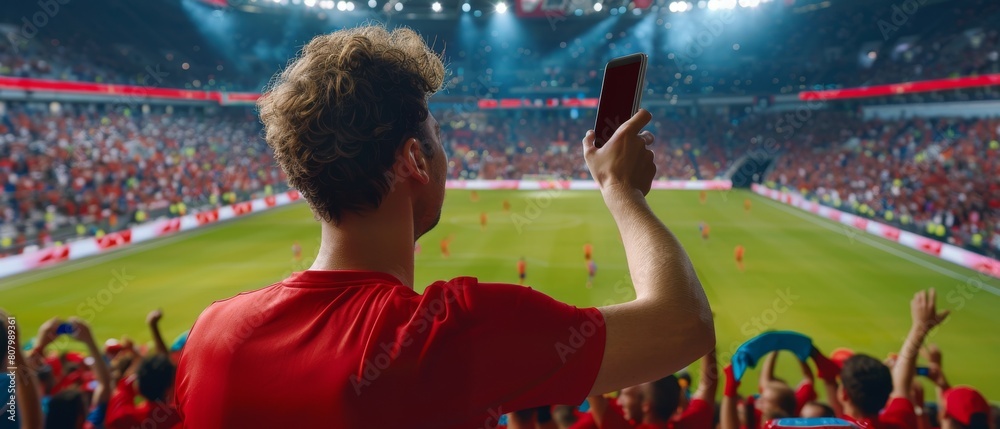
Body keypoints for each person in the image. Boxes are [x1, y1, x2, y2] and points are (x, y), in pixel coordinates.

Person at [177, 25, 714, 428]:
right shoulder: (447, 331)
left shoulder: (210, 335)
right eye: (438, 137)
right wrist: (621, 191)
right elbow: (683, 325)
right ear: (415, 158)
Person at [836, 289, 949, 429]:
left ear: (843, 394)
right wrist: (920, 328)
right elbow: (902, 385)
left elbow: (902, 385)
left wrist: (920, 328)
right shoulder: (899, 422)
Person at [588, 347, 716, 429]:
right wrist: (707, 342)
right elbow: (708, 385)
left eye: (626, 395)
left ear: (646, 406)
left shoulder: (620, 425)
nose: (619, 401)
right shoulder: (688, 424)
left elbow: (588, 383)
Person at [106, 309, 181, 429]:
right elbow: (169, 369)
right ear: (171, 386)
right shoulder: (180, 416)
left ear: (138, 387)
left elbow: (122, 388)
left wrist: (137, 375)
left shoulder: (120, 418)